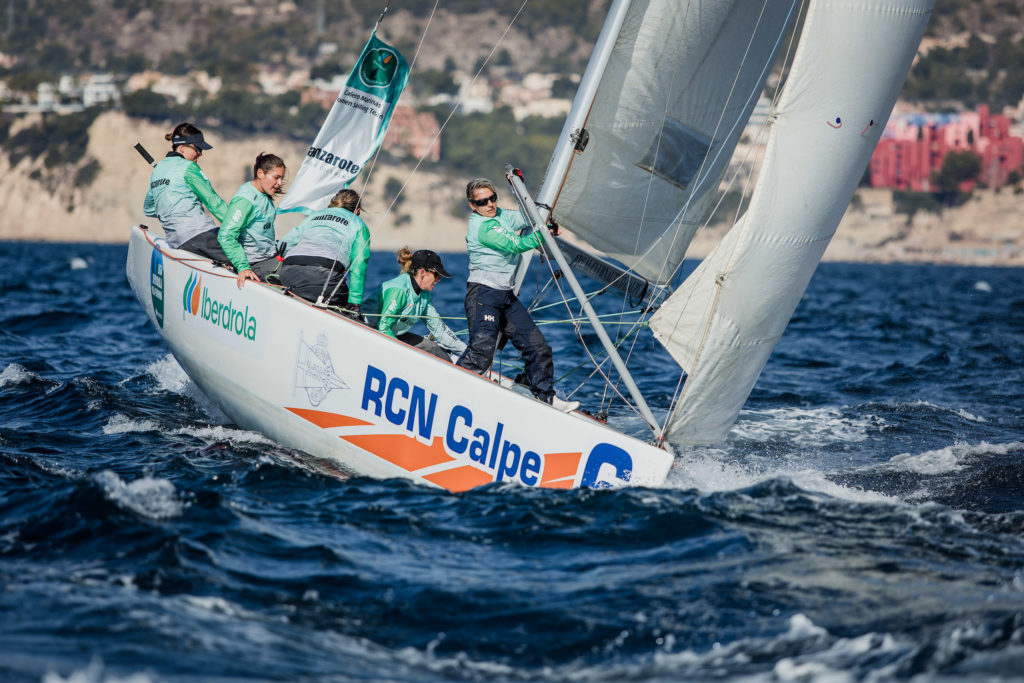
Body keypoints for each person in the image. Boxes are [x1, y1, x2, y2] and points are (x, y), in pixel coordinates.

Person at [456, 178, 578, 412]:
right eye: (482, 202)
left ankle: (545, 397)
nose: (489, 204)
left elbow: (526, 218)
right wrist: (545, 232)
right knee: (482, 352)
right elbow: (518, 245)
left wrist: (546, 217)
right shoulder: (483, 227)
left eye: (492, 198)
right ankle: (452, 388)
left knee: (538, 347)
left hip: (505, 296)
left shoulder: (500, 215)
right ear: (472, 205)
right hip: (484, 294)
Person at [142, 122, 230, 262]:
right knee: (253, 251)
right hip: (202, 236)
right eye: (198, 149)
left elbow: (149, 209)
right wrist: (240, 227)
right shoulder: (189, 168)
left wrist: (171, 206)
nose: (200, 154)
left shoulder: (157, 171)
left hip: (177, 243)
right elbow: (215, 204)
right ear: (182, 148)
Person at [277, 188, 369, 315]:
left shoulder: (315, 215)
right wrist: (354, 302)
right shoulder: (359, 225)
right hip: (325, 279)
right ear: (357, 211)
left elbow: (285, 243)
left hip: (288, 272)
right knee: (345, 305)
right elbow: (359, 265)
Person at [363, 248, 466, 361]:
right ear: (422, 273)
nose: (439, 280)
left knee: (435, 350)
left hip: (393, 334)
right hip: (369, 331)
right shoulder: (398, 290)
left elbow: (440, 330)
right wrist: (404, 355)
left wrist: (468, 353)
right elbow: (383, 328)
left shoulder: (424, 295)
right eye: (436, 275)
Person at [218, 153, 287, 289]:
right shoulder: (246, 200)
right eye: (276, 177)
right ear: (260, 173)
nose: (279, 183)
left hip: (269, 257)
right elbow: (225, 236)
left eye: (281, 178)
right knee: (296, 276)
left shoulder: (264, 194)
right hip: (255, 263)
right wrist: (243, 267)